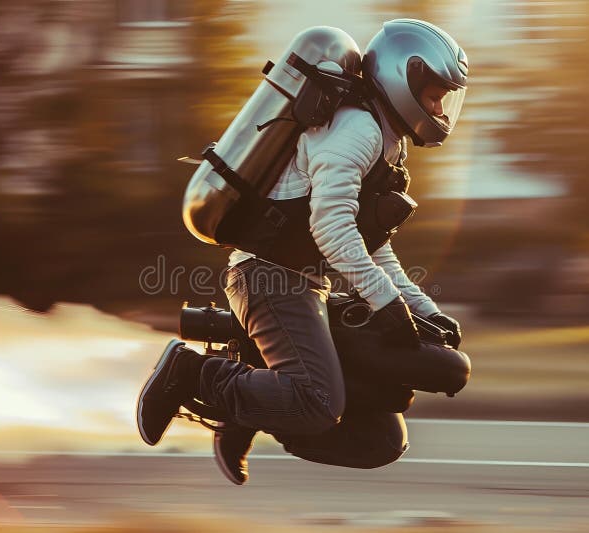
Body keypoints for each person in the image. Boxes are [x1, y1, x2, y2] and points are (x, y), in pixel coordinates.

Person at [137, 19, 468, 485]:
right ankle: (192, 374)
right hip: (267, 277)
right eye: (433, 94)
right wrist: (386, 303)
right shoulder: (356, 130)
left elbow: (375, 248)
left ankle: (245, 410)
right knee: (316, 403)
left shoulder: (387, 143)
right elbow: (330, 229)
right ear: (402, 76)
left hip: (307, 285)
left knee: (379, 439)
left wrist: (423, 309)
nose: (438, 107)